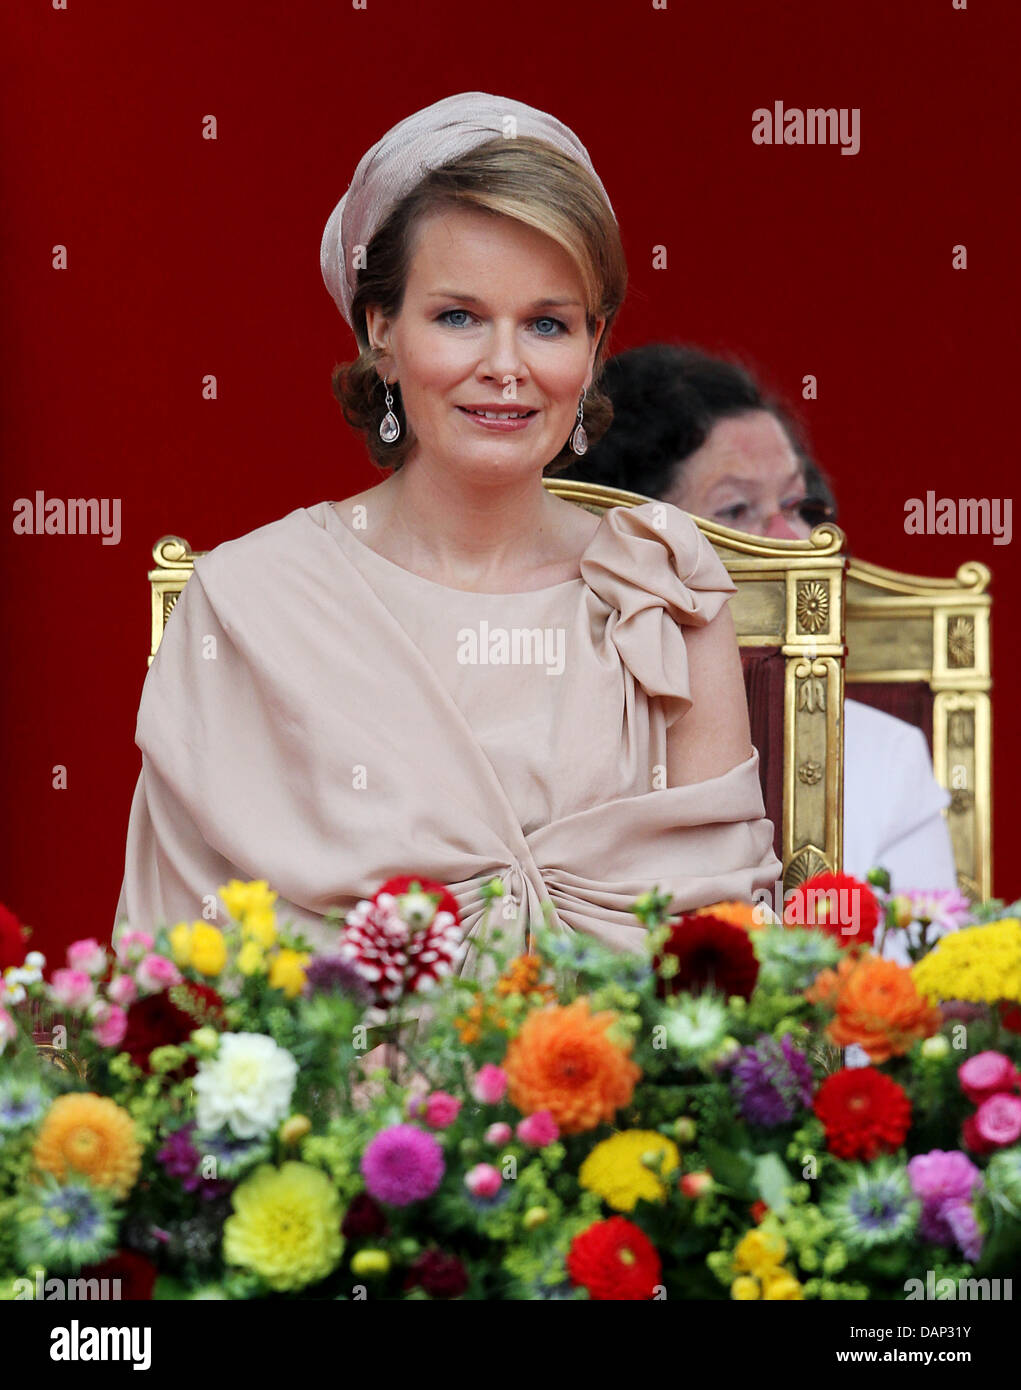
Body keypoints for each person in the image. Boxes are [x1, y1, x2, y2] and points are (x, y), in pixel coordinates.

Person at [114, 96, 781, 976]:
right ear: (379, 331)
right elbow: (176, 982)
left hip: (616, 1110)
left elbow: (723, 960)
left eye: (547, 323)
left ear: (593, 347)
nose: (504, 367)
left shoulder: (664, 585)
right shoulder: (250, 601)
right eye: (458, 316)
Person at [558, 344, 959, 892]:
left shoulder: (884, 755)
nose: (791, 541)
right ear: (628, 542)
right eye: (735, 511)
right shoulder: (551, 727)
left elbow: (926, 968)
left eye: (797, 505)